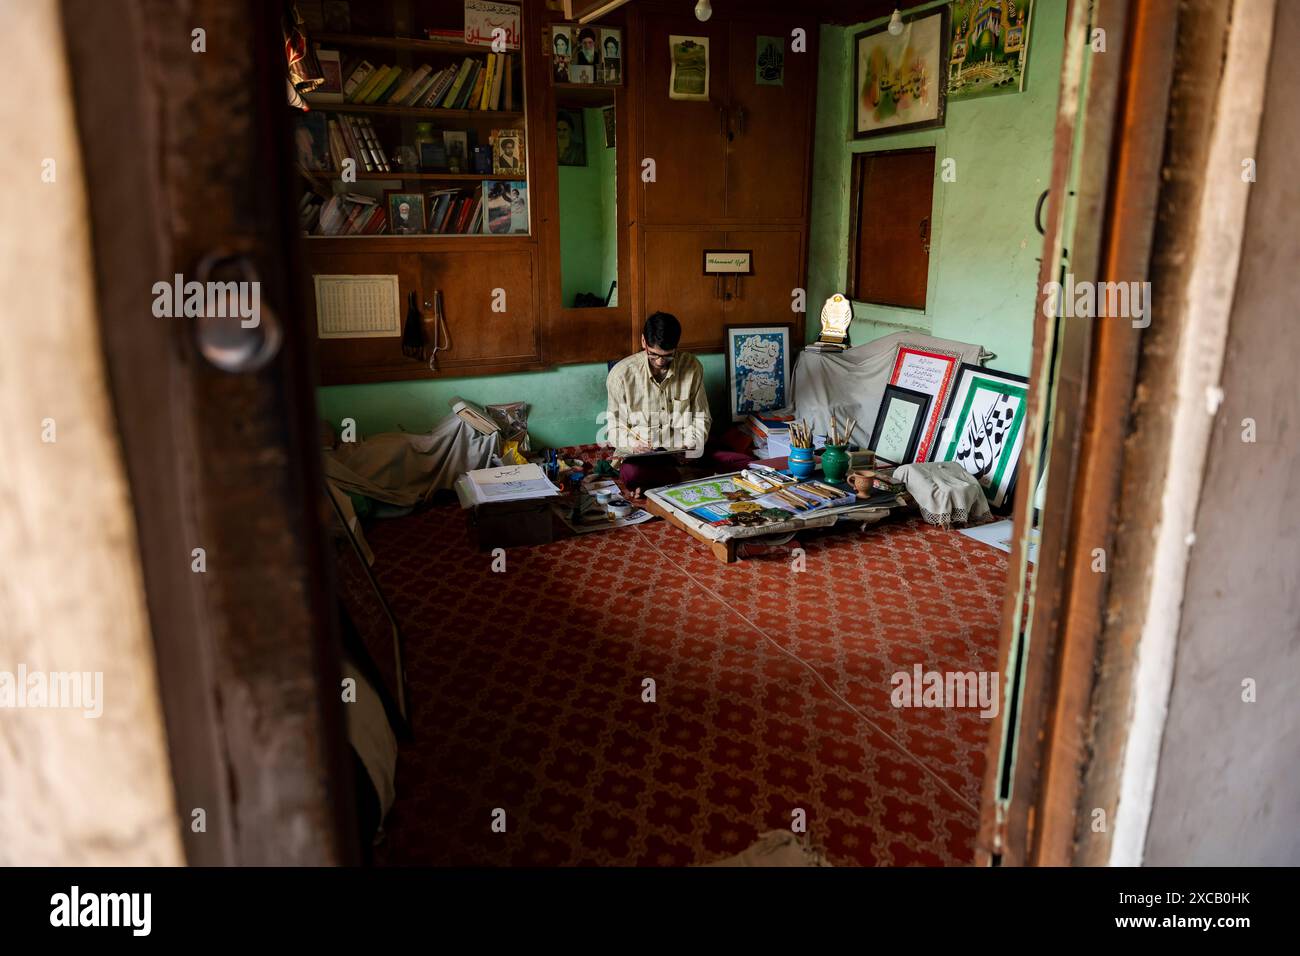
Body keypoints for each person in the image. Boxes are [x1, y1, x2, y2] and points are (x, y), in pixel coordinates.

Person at [605, 312, 754, 497]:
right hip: (644, 458)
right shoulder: (621, 375)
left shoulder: (692, 366)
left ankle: (666, 481)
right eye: (653, 355)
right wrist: (635, 445)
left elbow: (702, 417)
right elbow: (614, 429)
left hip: (682, 454)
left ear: (676, 347)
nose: (660, 362)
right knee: (633, 474)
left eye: (667, 356)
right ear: (643, 342)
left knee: (745, 463)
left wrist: (692, 442)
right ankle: (686, 478)